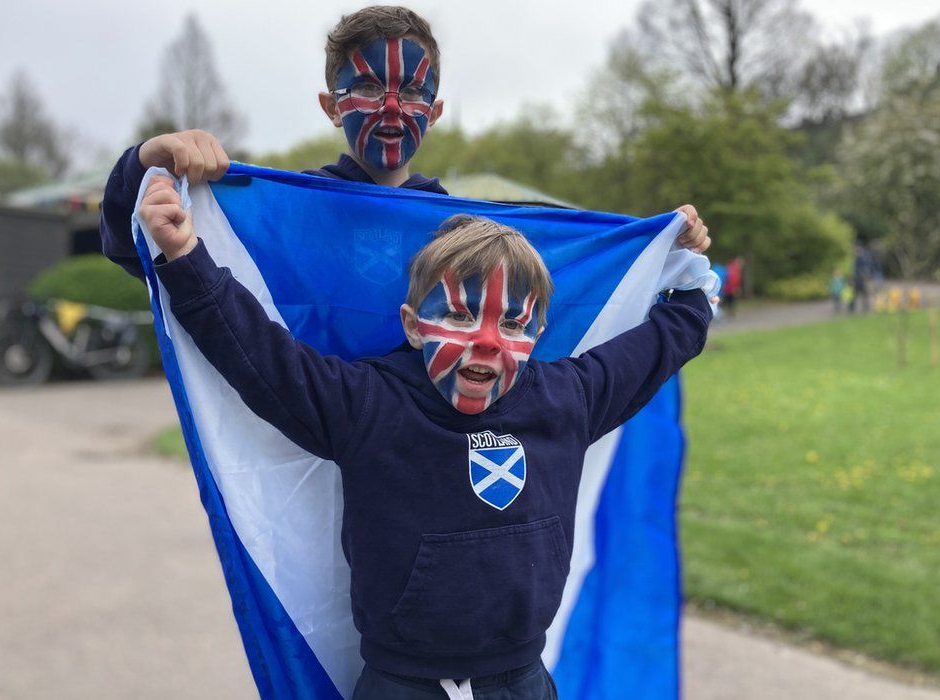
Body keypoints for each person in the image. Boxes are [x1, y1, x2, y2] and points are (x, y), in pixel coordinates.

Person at [137, 176, 712, 698]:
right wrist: (185, 256)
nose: (487, 342)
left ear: (538, 331)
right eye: (461, 316)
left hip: (524, 684)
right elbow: (262, 358)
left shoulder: (568, 400)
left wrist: (684, 269)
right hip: (399, 685)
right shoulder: (365, 404)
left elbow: (662, 342)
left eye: (511, 323)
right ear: (413, 326)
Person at [99, 6, 711, 281]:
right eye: (366, 86)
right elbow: (136, 254)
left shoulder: (463, 233)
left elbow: (577, 273)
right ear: (331, 108)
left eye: (413, 93)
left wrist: (660, 244)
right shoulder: (284, 216)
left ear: (436, 112)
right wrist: (149, 162)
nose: (392, 108)